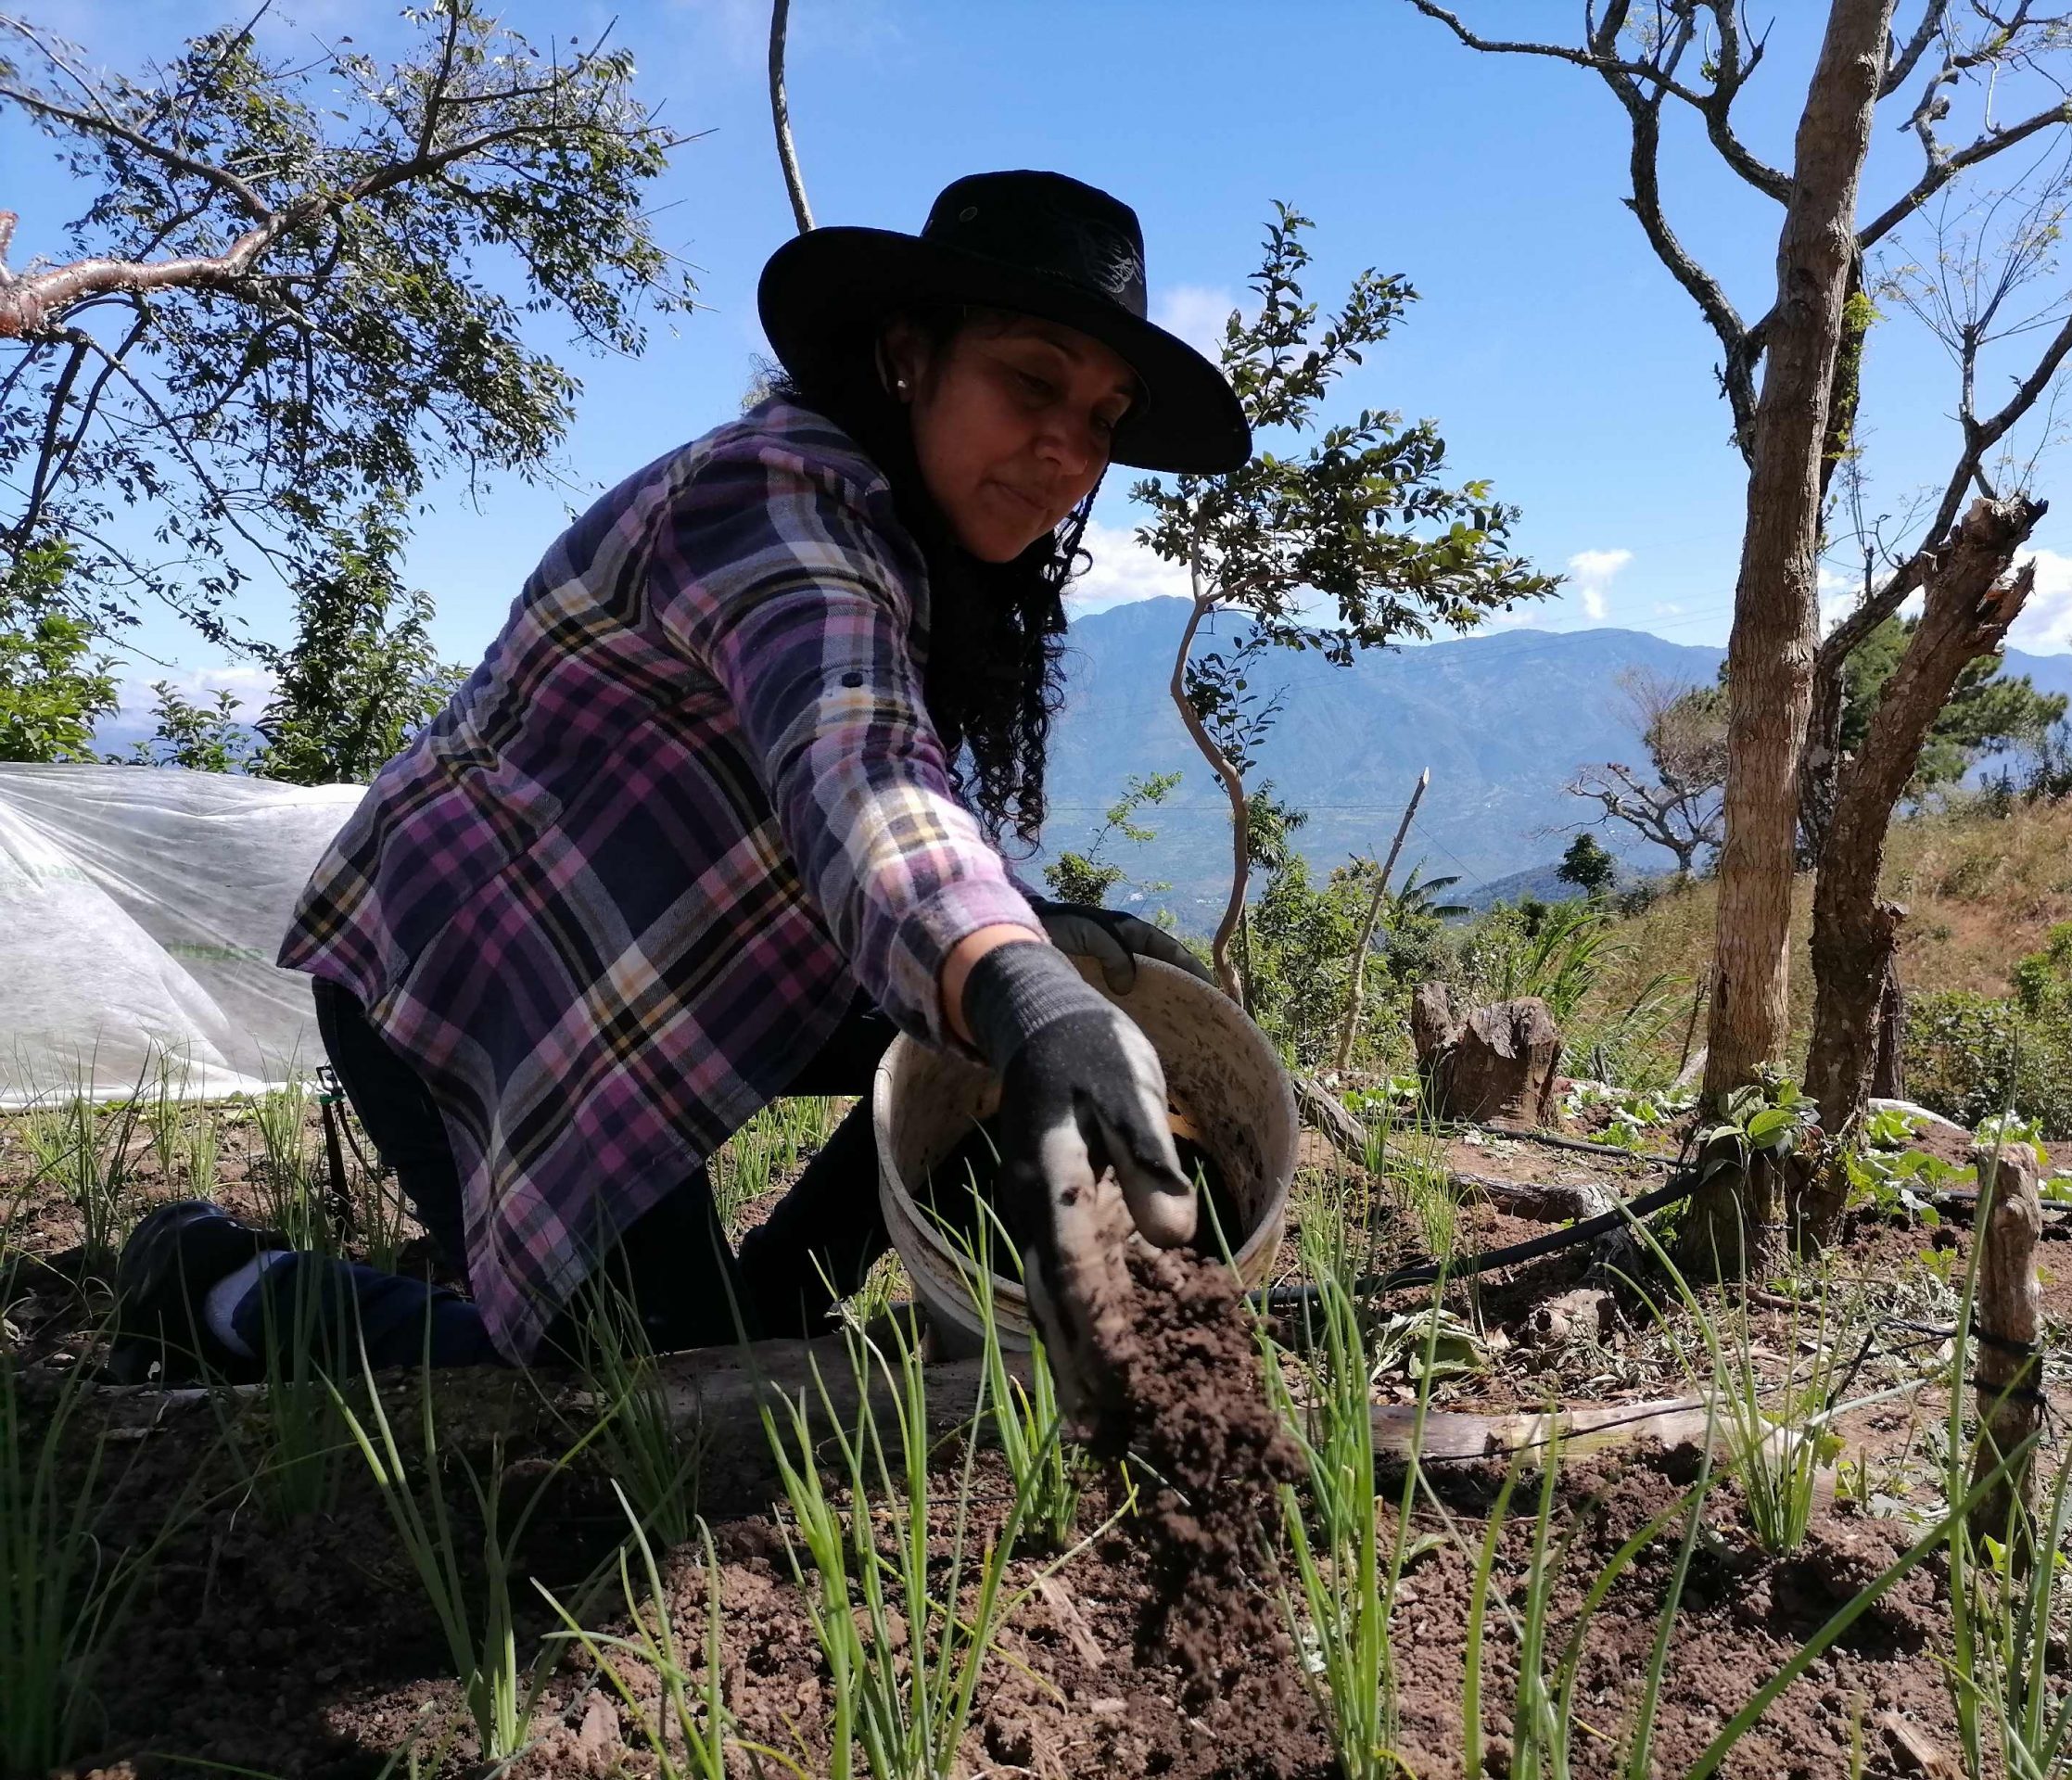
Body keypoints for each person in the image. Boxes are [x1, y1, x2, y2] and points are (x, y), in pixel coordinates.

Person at [108, 171, 1252, 1434]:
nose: (1066, 449)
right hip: (475, 972)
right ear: (906, 355)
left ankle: (768, 1303)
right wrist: (1024, 989)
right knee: (625, 1401)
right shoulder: (776, 502)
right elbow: (855, 769)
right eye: (1033, 383)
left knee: (975, 1044)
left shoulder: (920, 547)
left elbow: (821, 816)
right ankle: (225, 1287)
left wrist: (1042, 940)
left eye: (1101, 417)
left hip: (661, 961)